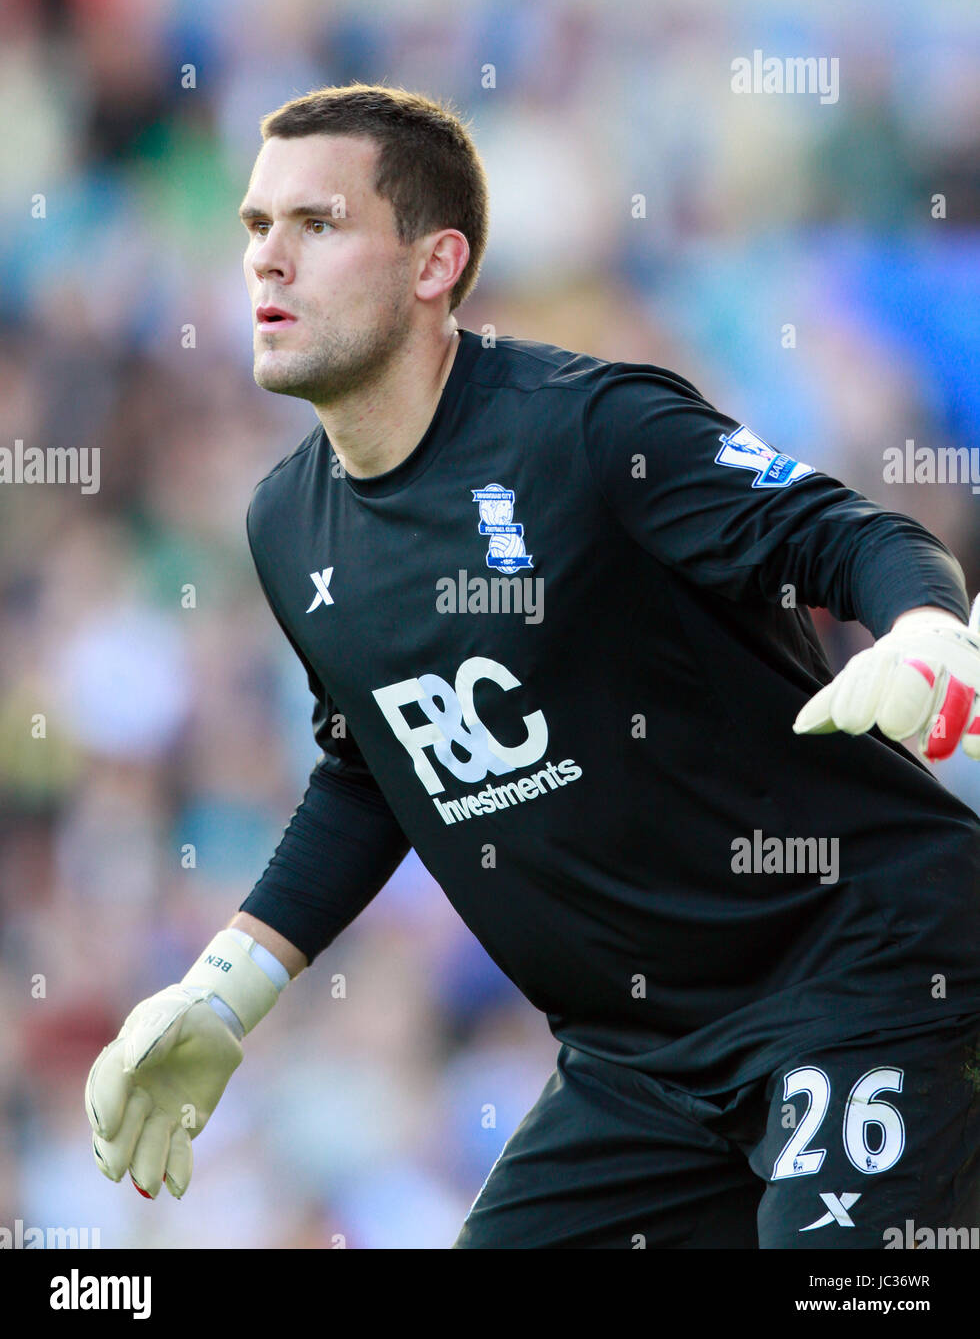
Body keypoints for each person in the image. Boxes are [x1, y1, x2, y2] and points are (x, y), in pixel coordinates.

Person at [85, 84, 980, 1249]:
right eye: (256, 228)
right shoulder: (286, 525)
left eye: (317, 225)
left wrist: (921, 629)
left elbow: (849, 535)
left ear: (432, 263)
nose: (268, 262)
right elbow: (369, 769)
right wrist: (225, 989)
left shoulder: (589, 429)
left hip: (861, 981)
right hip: (636, 1063)